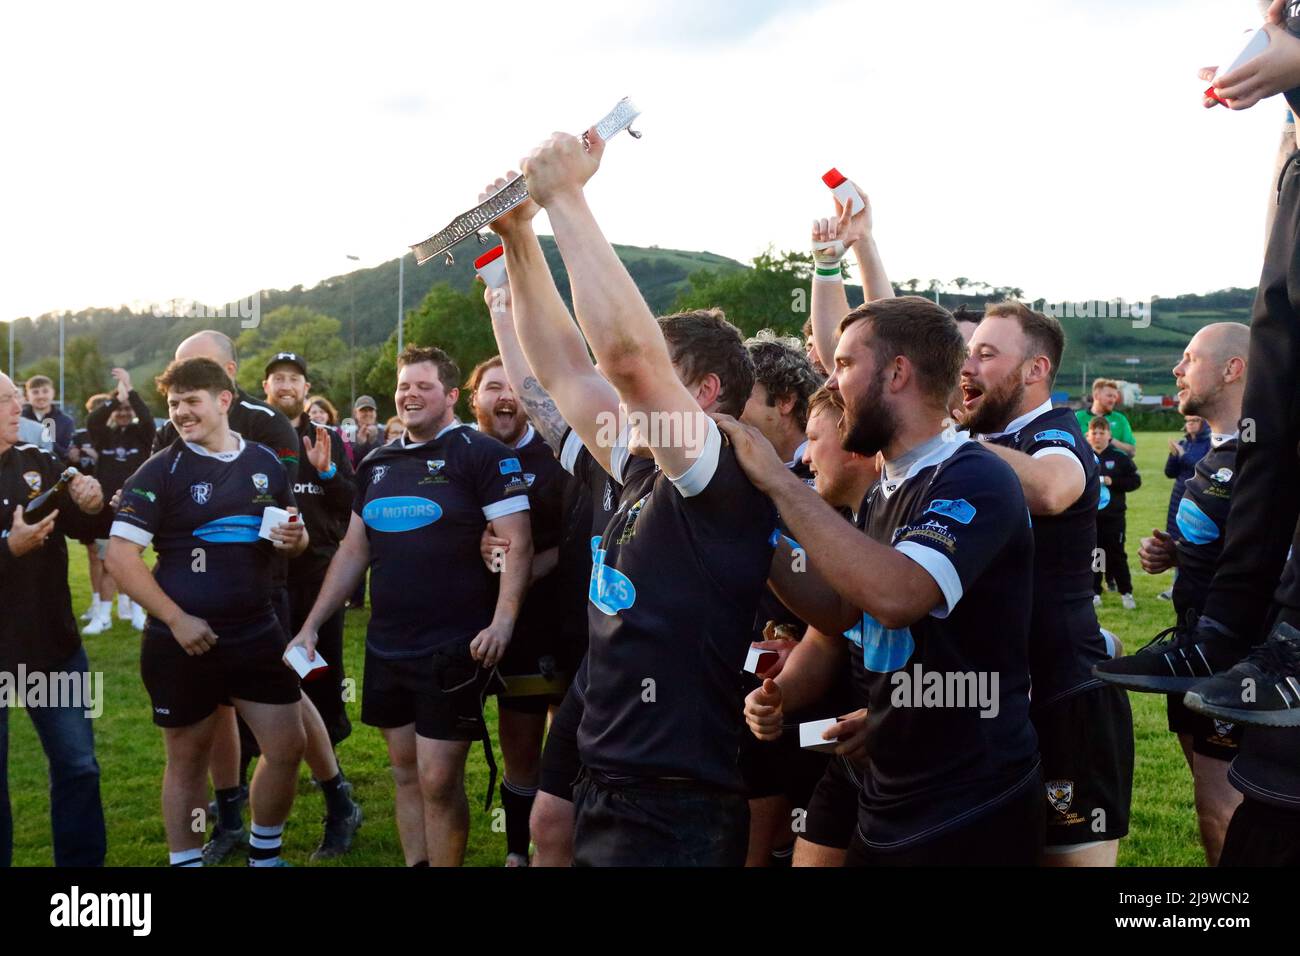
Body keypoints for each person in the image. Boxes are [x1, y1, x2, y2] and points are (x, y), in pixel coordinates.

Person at [490, 128, 778, 866]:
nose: (617, 395)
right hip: (608, 779)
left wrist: (567, 198)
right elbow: (560, 368)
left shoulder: (714, 475)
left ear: (703, 393)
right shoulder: (638, 462)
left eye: (647, 385)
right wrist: (520, 237)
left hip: (678, 805)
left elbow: (624, 357)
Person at [731, 294, 1042, 866]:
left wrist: (779, 485)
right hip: (893, 781)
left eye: (846, 364)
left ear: (898, 372)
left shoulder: (975, 477)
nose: (833, 379)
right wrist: (757, 526)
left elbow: (898, 596)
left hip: (964, 795)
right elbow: (843, 613)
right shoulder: (883, 488)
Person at [289, 345, 533, 867]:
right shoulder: (378, 463)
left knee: (439, 779)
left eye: (423, 386)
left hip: (453, 648)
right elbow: (355, 550)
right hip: (386, 646)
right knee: (404, 774)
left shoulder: (482, 455)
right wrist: (311, 625)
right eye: (404, 386)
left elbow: (518, 543)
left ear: (450, 396)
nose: (410, 394)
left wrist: (503, 623)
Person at [107, 357, 309, 867]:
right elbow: (120, 558)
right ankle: (186, 860)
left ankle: (265, 854)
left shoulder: (264, 461)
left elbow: (293, 535)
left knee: (287, 746)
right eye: (174, 403)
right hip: (181, 642)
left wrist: (295, 538)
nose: (180, 412)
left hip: (256, 629)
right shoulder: (161, 470)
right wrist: (176, 619)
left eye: (191, 401)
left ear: (223, 401)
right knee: (187, 761)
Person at [958, 300, 1133, 866]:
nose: (969, 366)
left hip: (1065, 696)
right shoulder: (993, 432)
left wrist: (962, 448)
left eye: (986, 354)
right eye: (967, 353)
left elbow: (1055, 487)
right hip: (1003, 696)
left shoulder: (1053, 434)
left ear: (1035, 370)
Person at [1095, 324, 1251, 864]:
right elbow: (1243, 542)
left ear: (1233, 369)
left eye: (1190, 358)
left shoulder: (1265, 460)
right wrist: (1179, 553)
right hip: (1189, 647)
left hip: (1232, 658)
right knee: (1212, 795)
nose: (1176, 370)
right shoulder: (1212, 453)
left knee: (1225, 804)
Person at [465, 352, 572, 867]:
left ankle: (559, 843)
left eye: (514, 387)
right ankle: (516, 853)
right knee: (520, 746)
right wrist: (479, 546)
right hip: (485, 624)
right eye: (492, 387)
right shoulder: (462, 455)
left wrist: (529, 562)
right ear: (474, 399)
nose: (504, 396)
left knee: (566, 740)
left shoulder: (558, 456)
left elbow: (583, 533)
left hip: (559, 621)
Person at [0, 371, 108, 867]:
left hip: (52, 645)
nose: (17, 407)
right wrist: (8, 547)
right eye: (7, 400)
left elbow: (85, 523)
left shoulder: (39, 459)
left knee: (79, 767)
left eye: (18, 397)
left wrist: (92, 500)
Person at [261, 352, 363, 859]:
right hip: (266, 576)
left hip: (319, 574)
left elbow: (352, 500)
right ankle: (261, 772)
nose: (286, 385)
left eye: (294, 379)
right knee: (267, 676)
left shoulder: (327, 438)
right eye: (278, 378)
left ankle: (331, 776)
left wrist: (325, 474)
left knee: (322, 672)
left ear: (305, 388)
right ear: (265, 385)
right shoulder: (255, 436)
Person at [771, 386, 879, 868]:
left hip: (926, 765)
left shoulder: (910, 524)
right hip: (855, 755)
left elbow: (972, 664)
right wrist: (779, 694)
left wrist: (893, 720)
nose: (805, 454)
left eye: (814, 439)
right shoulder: (846, 522)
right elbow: (830, 631)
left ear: (856, 446)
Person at [738, 332, 825, 865]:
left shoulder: (830, 472)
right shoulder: (736, 467)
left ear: (786, 401)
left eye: (741, 396)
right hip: (755, 682)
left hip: (824, 690)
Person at [83, 367, 154, 634]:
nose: (124, 413)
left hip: (134, 506)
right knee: (105, 561)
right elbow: (93, 420)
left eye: (127, 409)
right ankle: (103, 616)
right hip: (105, 509)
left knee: (133, 559)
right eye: (119, 410)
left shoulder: (143, 434)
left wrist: (131, 392)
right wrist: (116, 397)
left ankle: (137, 612)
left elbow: (146, 417)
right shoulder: (105, 435)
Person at [1086, 418, 1141, 610]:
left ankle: (1126, 592)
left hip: (1114, 517)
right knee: (1095, 554)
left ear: (1109, 435)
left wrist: (1113, 480)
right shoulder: (1084, 456)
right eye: (1094, 432)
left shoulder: (1119, 458)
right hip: (1090, 518)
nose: (1098, 436)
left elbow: (1135, 481)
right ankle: (1095, 592)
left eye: (1102, 433)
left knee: (1116, 554)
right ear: (1088, 435)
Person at [1159, 414, 1211, 601]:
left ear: (1203, 423)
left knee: (1193, 542)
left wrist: (1183, 455)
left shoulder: (1210, 444)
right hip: (1179, 498)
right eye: (1188, 421)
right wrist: (1173, 456)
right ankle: (1176, 586)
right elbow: (1170, 473)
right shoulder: (1184, 442)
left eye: (1195, 421)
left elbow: (1202, 468)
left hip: (1198, 498)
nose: (1190, 424)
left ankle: (1188, 585)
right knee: (1178, 541)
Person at [1075, 379, 1135, 456]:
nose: (1113, 400)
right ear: (1096, 396)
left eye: (1115, 397)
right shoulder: (1078, 418)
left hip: (1114, 466)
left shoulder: (1120, 419)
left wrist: (1110, 440)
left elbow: (1132, 451)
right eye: (1109, 396)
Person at [21, 375, 74, 461]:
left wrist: (42, 438)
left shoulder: (66, 422)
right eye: (35, 392)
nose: (40, 396)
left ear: (53, 393)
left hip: (53, 471)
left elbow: (66, 454)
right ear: (27, 395)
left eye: (45, 391)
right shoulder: (18, 419)